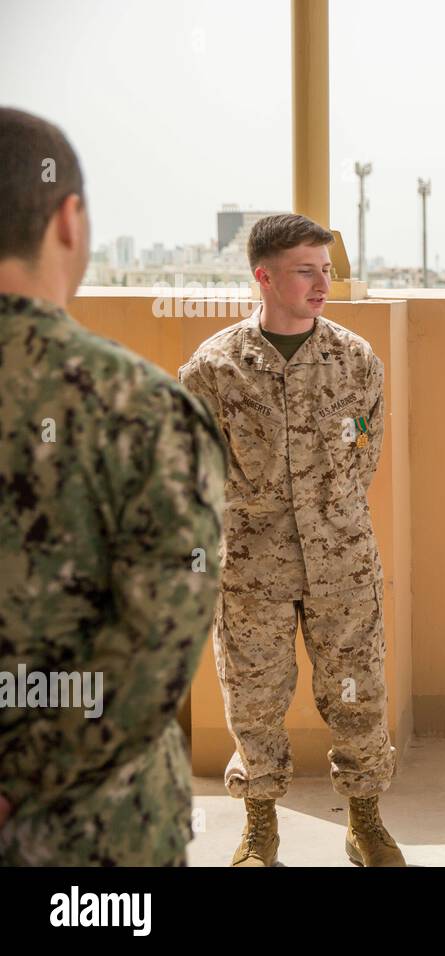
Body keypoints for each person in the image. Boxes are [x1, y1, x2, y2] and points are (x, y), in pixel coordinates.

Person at [0, 107, 226, 865]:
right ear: (68, 220)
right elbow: (154, 649)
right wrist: (21, 777)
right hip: (94, 849)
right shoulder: (143, 410)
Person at [179, 214, 402, 866]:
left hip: (343, 561)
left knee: (358, 691)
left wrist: (328, 515)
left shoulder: (356, 360)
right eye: (305, 270)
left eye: (325, 270)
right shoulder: (216, 369)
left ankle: (365, 821)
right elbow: (194, 468)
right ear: (264, 276)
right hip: (253, 565)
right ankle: (260, 827)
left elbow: (365, 454)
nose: (320, 283)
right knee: (254, 698)